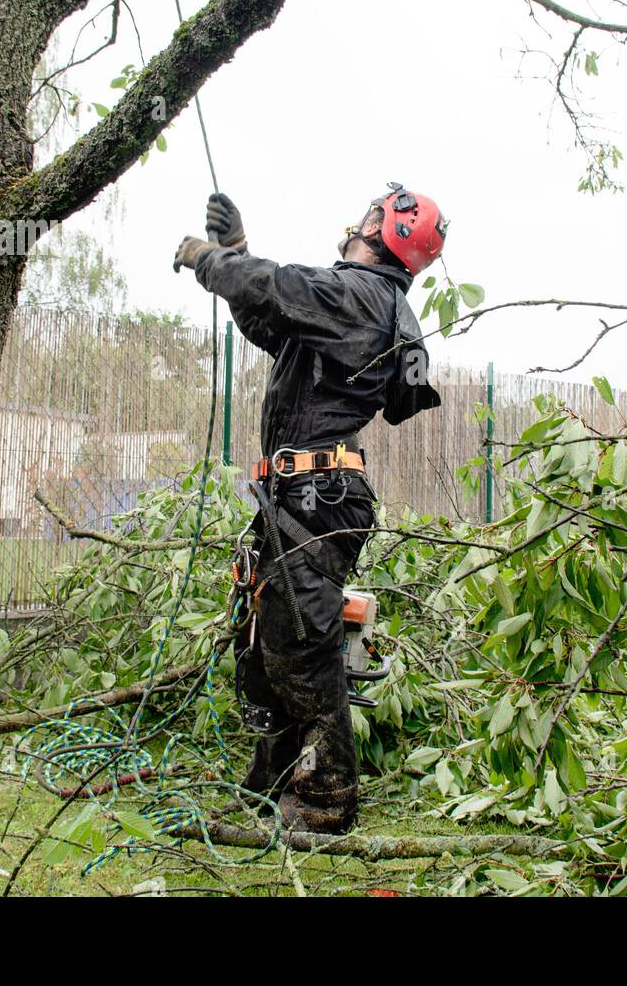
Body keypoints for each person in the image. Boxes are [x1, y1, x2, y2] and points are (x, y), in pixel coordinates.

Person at [172, 183, 448, 833]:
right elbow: (271, 316)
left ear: (388, 231)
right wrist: (235, 252)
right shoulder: (353, 303)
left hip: (315, 496)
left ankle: (325, 802)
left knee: (301, 647)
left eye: (374, 214)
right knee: (268, 648)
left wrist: (213, 260)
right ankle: (270, 790)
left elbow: (278, 286)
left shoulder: (364, 294)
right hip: (300, 495)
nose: (360, 219)